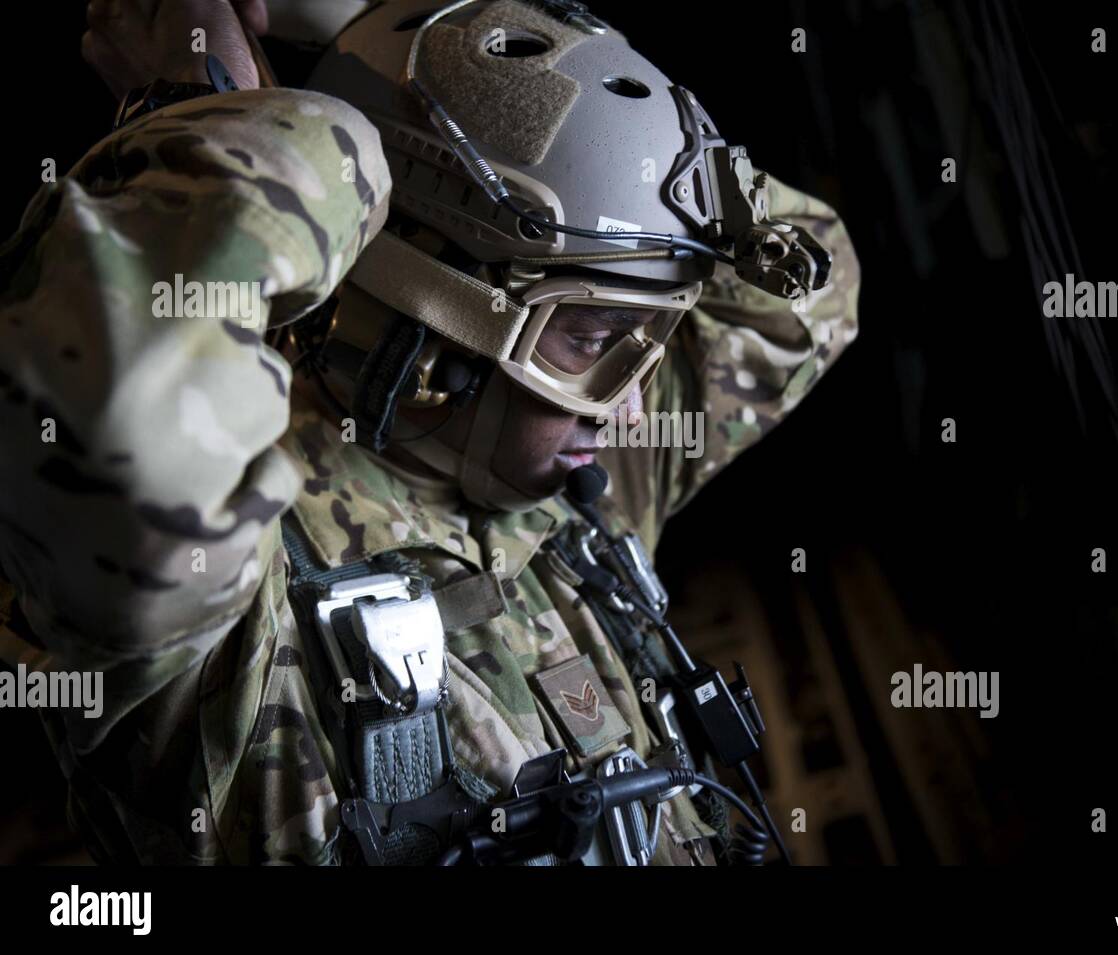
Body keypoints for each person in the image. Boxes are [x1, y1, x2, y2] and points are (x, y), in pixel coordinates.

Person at [0, 0, 859, 865]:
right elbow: (122, 410)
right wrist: (202, 110)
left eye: (653, 342)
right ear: (424, 320)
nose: (633, 407)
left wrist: (431, 38)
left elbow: (808, 290)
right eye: (594, 340)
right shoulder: (235, 593)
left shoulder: (568, 499)